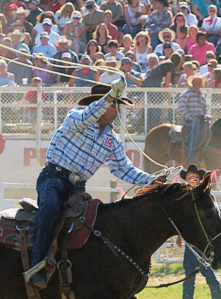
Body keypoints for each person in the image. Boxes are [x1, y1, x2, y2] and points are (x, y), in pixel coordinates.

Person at [25, 80, 156, 288]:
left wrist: (152, 180)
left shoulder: (111, 140)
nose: (117, 110)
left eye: (117, 104)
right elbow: (89, 115)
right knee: (49, 208)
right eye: (114, 104)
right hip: (53, 178)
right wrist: (110, 95)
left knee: (95, 222)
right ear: (101, 104)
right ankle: (37, 265)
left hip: (78, 188)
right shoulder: (76, 116)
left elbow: (123, 169)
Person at [179, 164, 221, 299]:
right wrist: (181, 236)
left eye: (195, 177)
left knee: (206, 268)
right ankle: (187, 298)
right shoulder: (184, 198)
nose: (192, 179)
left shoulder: (203, 197)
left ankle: (216, 296)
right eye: (189, 177)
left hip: (201, 241)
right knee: (189, 270)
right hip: (189, 241)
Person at [176, 74, 209, 164]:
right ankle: (191, 156)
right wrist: (191, 118)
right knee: (195, 131)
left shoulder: (201, 95)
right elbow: (181, 108)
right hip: (190, 120)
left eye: (200, 82)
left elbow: (205, 108)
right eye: (197, 82)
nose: (199, 83)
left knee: (210, 131)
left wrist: (206, 115)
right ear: (192, 83)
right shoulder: (187, 93)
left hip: (201, 119)